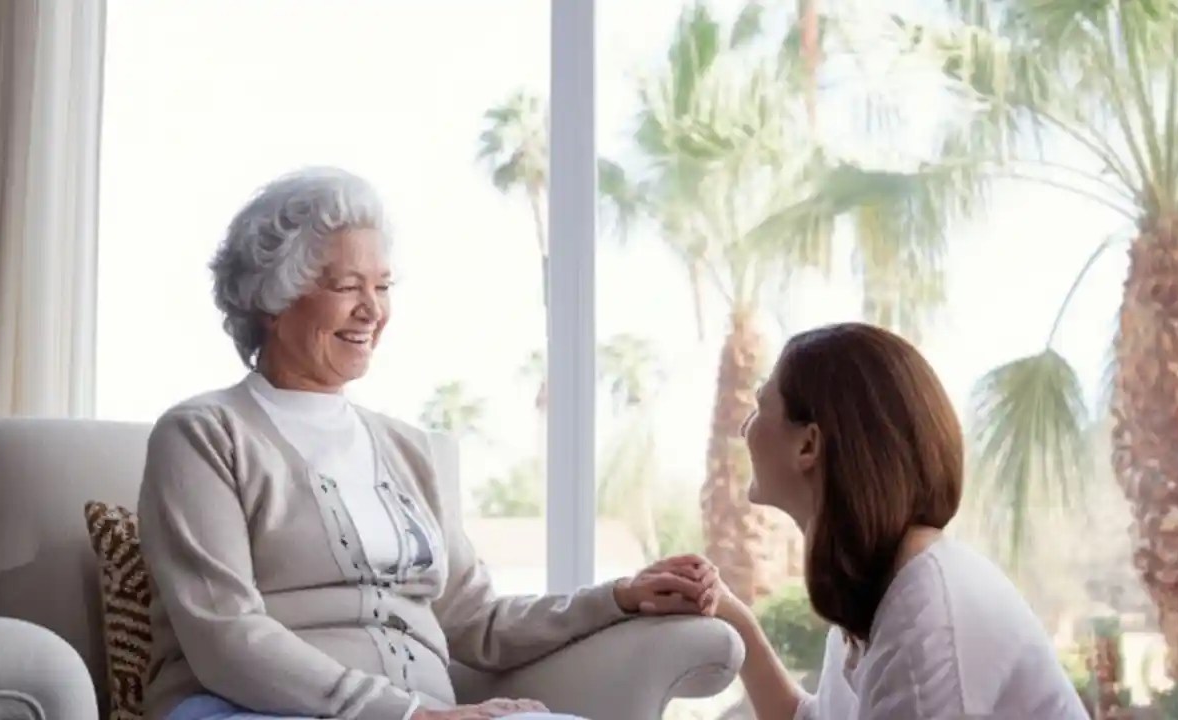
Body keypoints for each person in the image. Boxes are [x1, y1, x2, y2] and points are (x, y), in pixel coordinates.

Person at [137, 167, 713, 720]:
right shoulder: (204, 434)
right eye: (347, 286)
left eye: (382, 286)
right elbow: (226, 634)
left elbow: (477, 621)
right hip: (247, 710)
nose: (372, 310)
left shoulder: (409, 450)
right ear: (271, 300)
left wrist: (619, 598)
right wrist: (409, 713)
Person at [689, 322, 1089, 719]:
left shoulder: (924, 616)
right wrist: (729, 612)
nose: (745, 427)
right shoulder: (883, 588)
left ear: (808, 445)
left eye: (761, 407)